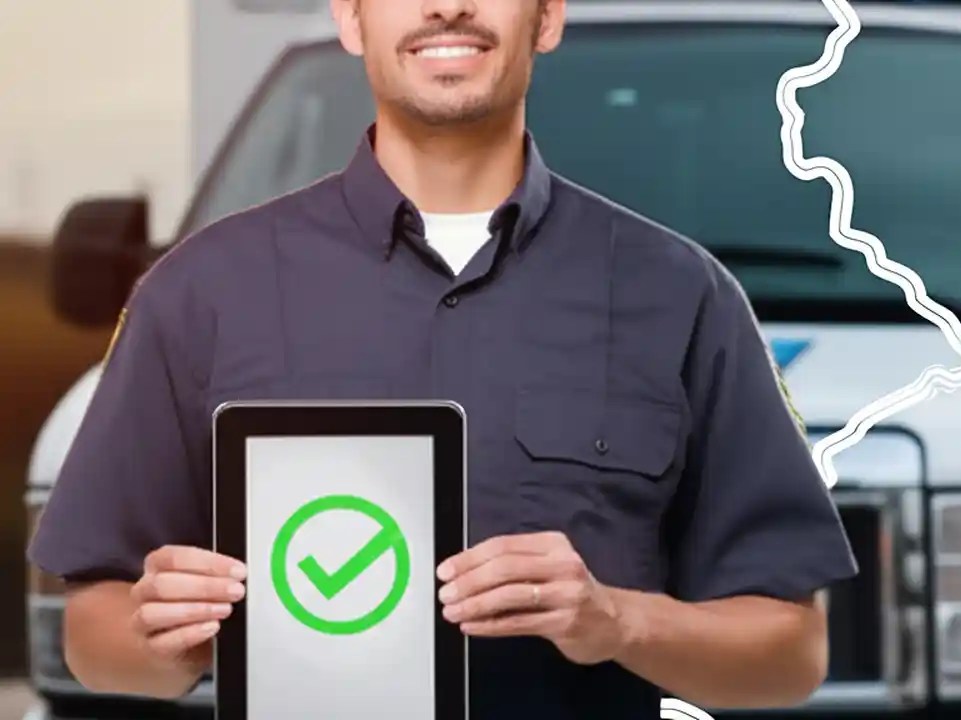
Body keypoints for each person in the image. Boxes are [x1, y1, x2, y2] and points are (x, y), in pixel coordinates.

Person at [28, 0, 858, 717]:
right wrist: (168, 639)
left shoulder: (682, 296)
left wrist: (617, 620)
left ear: (549, 15)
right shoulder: (198, 293)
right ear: (351, 17)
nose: (447, 5)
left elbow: (792, 654)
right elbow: (91, 633)